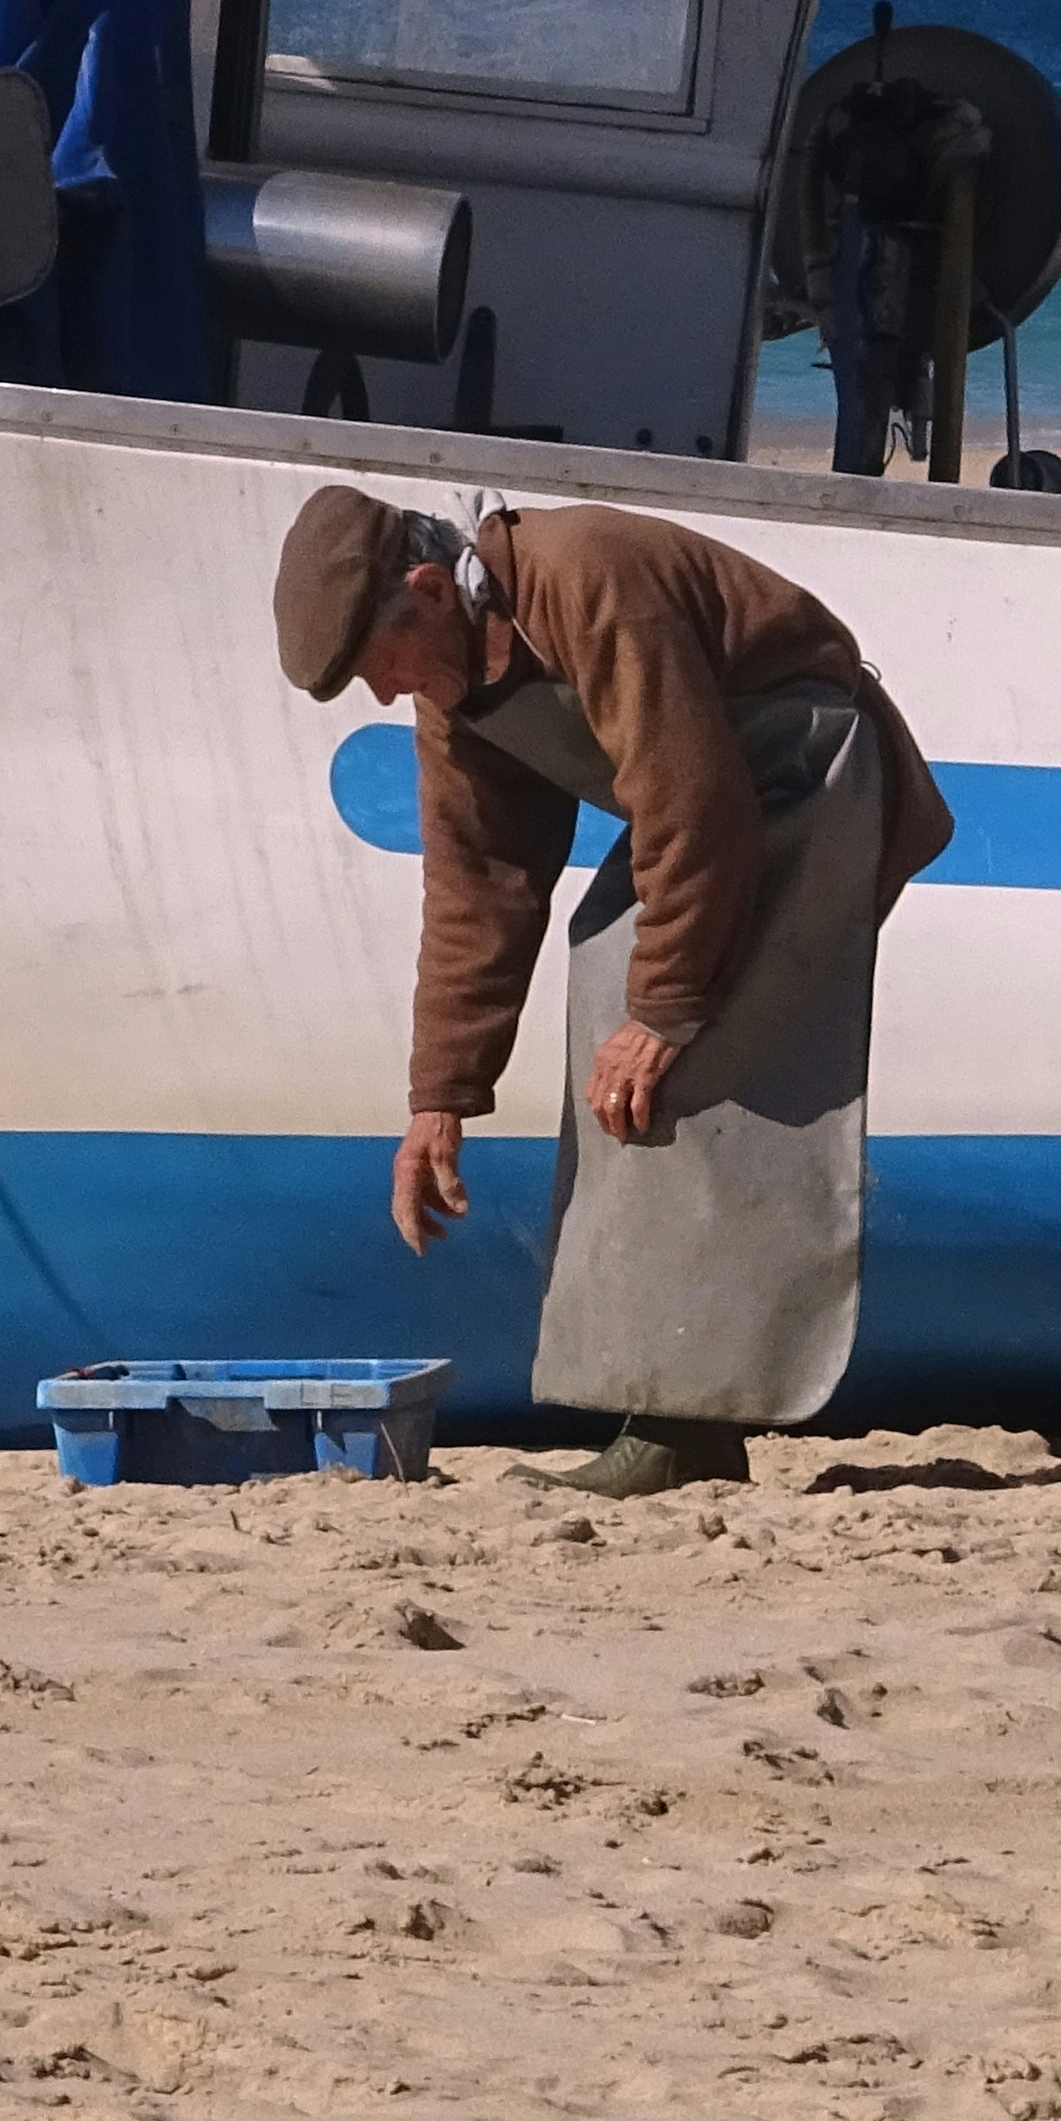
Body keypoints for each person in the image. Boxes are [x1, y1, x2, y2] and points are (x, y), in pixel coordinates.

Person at [273, 485, 956, 1496]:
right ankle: (679, 1420)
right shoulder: (455, 680)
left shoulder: (586, 578)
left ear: (426, 590)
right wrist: (438, 1100)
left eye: (382, 667)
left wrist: (669, 1013)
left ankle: (685, 1436)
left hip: (805, 775)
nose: (386, 695)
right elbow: (479, 889)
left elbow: (692, 799)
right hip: (717, 813)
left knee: (682, 1065)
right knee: (618, 1028)